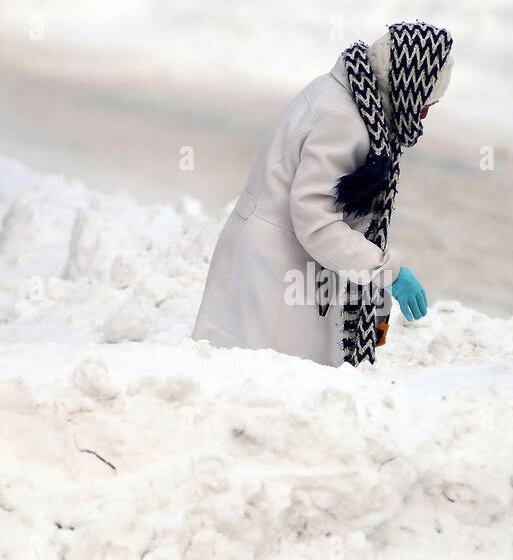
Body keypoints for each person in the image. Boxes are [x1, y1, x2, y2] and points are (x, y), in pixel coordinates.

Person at [193, 21, 454, 367]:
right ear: (408, 84)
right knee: (257, 391)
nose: (422, 116)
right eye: (427, 103)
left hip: (277, 264)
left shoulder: (347, 92)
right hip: (270, 277)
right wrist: (386, 271)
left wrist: (376, 305)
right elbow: (317, 221)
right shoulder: (344, 121)